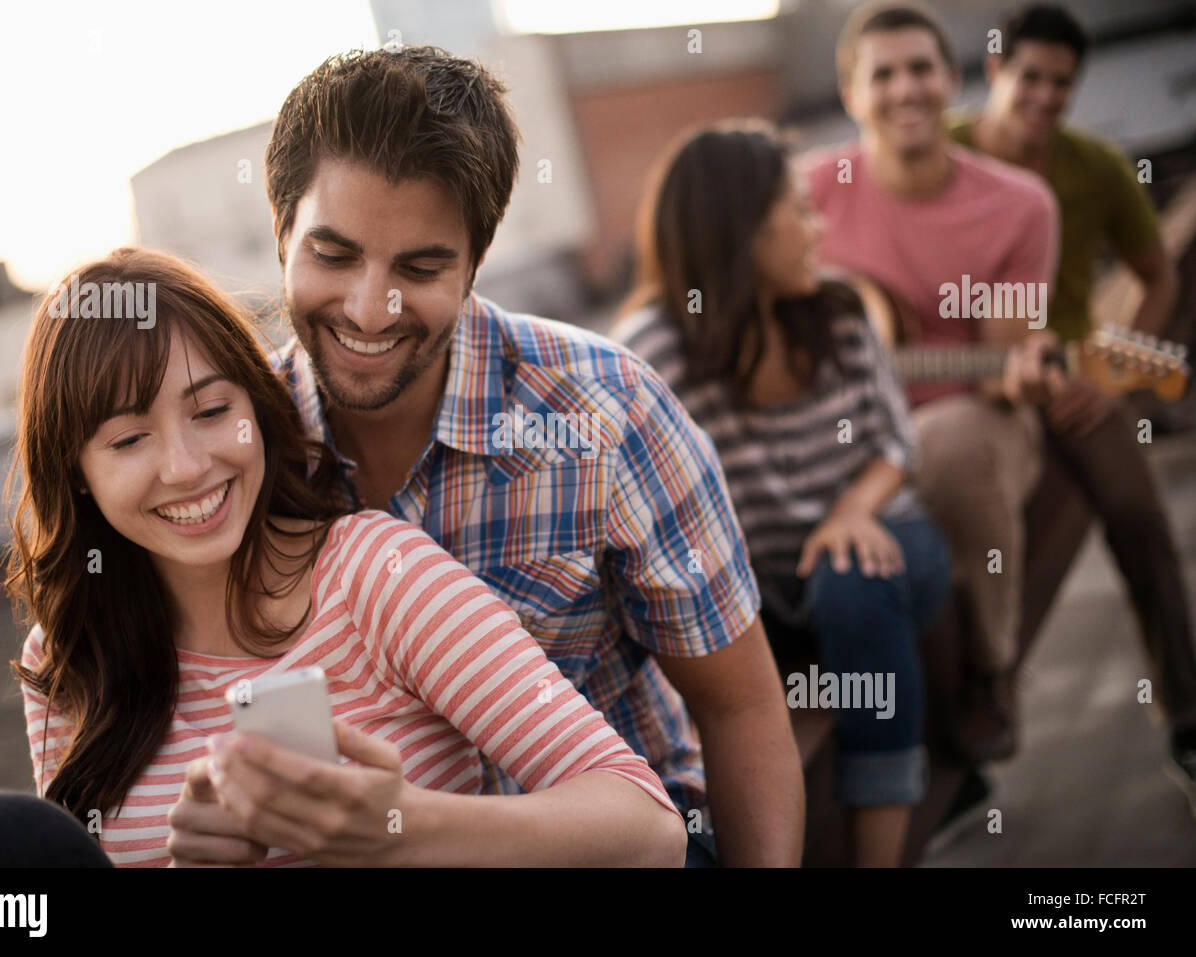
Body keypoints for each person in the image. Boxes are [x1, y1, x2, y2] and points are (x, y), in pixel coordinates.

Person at [0, 248, 688, 868]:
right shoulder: (69, 654)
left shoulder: (374, 577)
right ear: (77, 471)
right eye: (129, 439)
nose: (185, 466)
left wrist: (400, 828)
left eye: (212, 410)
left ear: (255, 405)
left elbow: (648, 827)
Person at [243, 46, 805, 866]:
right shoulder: (232, 452)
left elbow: (741, 707)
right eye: (333, 255)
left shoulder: (607, 413)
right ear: (282, 233)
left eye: (421, 267)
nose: (370, 308)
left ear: (476, 261)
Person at [614, 120, 951, 866]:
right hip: (760, 593)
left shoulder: (836, 310)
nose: (816, 227)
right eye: (797, 211)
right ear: (741, 232)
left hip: (887, 540)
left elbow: (899, 443)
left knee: (852, 579)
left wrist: (852, 510)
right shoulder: (653, 353)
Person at [946, 2, 1196, 802]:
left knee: (1139, 519)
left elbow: (1159, 276)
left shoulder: (1094, 165)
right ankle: (962, 744)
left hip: (1073, 377)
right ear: (995, 71)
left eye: (1063, 84)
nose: (1045, 97)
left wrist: (1116, 376)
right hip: (964, 380)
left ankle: (1186, 721)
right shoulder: (942, 152)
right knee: (953, 537)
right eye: (1030, 77)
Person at [803, 2, 1061, 761]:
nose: (905, 88)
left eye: (922, 68)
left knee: (945, 445)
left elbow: (1003, 369)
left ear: (953, 80)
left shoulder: (1020, 205)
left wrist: (1026, 379)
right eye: (882, 74)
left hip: (971, 415)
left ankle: (991, 665)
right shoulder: (806, 192)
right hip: (838, 429)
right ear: (852, 94)